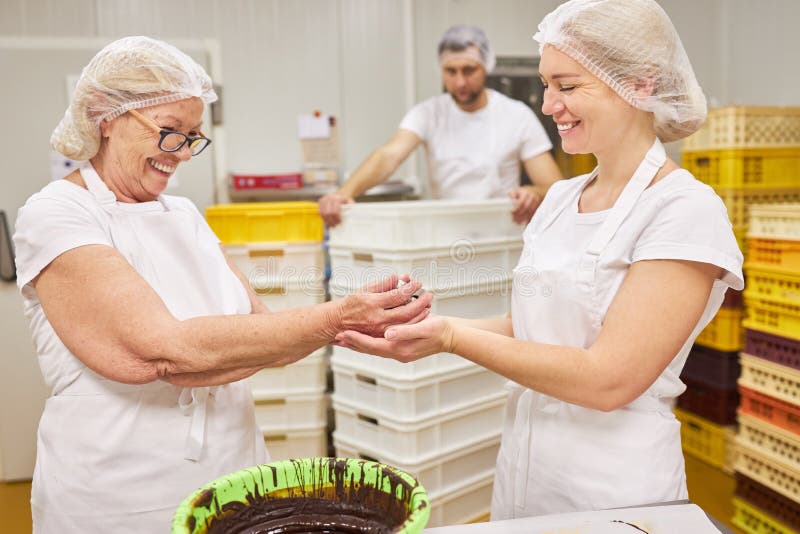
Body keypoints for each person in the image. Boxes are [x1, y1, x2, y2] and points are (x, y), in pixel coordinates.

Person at [333, 0, 745, 520]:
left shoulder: (684, 211)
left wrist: (452, 339)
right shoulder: (558, 199)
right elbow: (528, 324)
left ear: (641, 84)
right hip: (525, 472)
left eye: (568, 86)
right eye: (548, 86)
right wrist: (425, 327)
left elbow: (609, 378)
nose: (549, 105)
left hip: (614, 489)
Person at [13, 36, 431, 533]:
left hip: (232, 478)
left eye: (193, 136)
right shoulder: (57, 214)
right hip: (121, 489)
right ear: (106, 117)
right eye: (170, 131)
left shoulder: (184, 214)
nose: (183, 153)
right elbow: (161, 351)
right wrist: (334, 316)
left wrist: (366, 323)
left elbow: (265, 339)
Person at [318, 25, 563, 227]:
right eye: (451, 71)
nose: (460, 82)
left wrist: (533, 192)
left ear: (486, 66)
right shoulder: (428, 113)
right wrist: (343, 193)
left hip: (502, 234)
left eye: (469, 70)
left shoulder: (517, 115)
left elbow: (552, 185)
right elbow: (388, 156)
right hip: (446, 233)